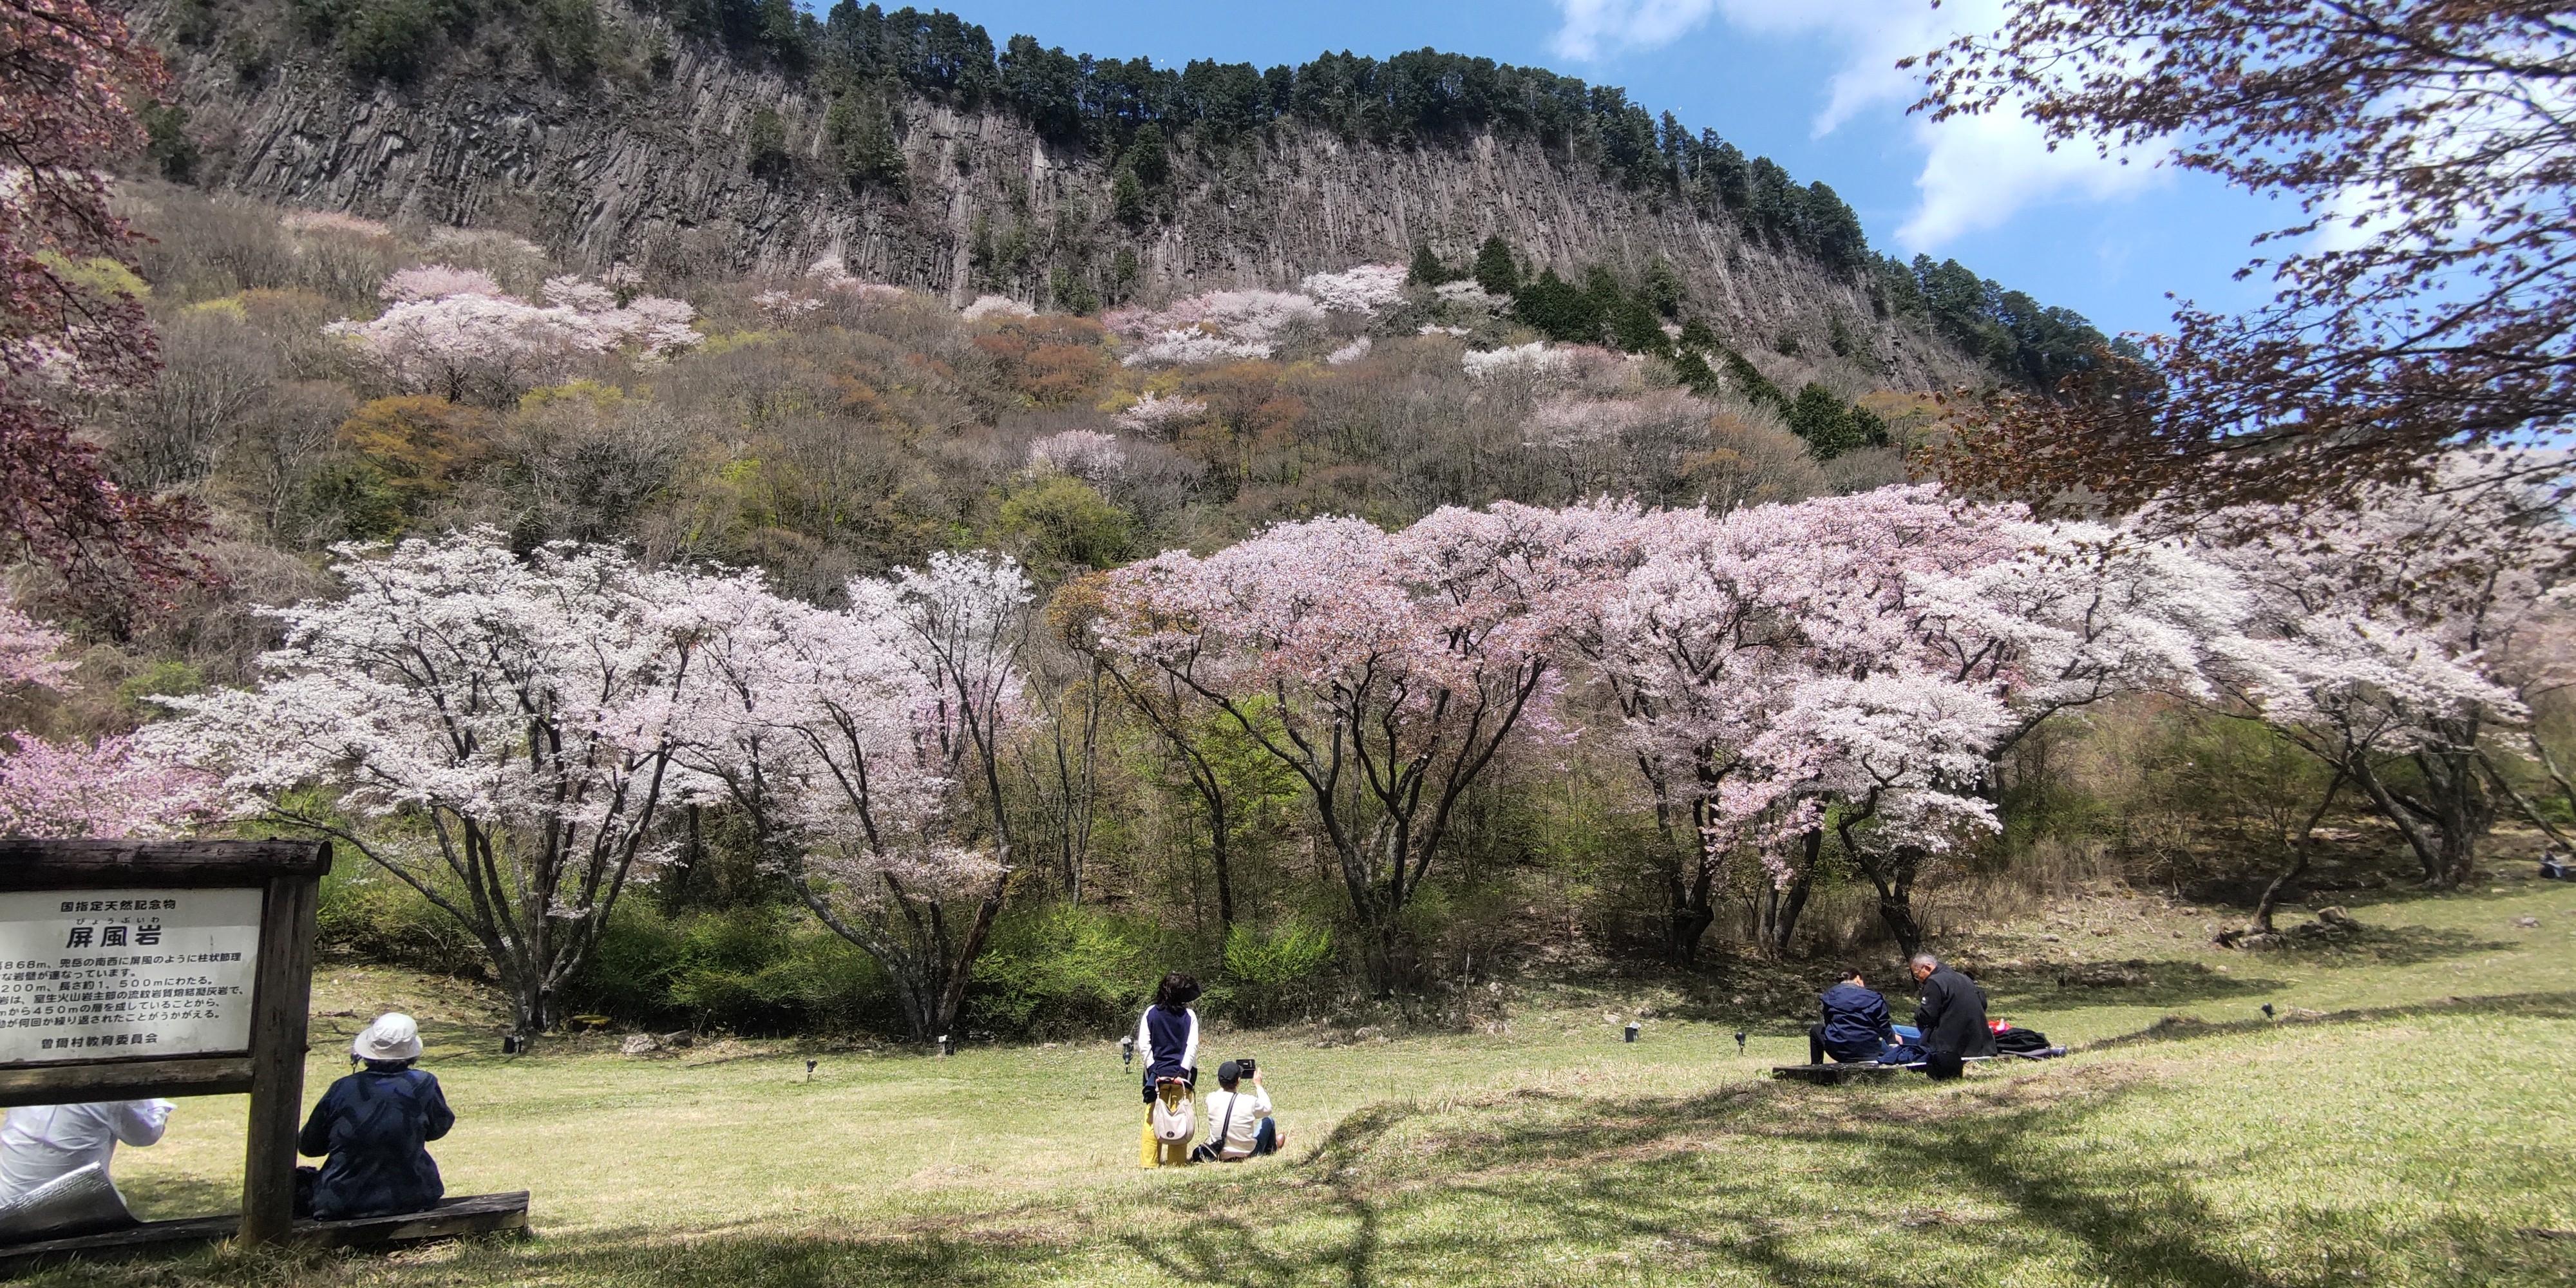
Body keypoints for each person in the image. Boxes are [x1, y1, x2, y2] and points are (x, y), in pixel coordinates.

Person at [297, 1013, 454, 1220]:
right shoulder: (425, 1084)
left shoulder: (342, 1088)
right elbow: (438, 1129)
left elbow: (309, 1146)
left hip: (341, 1201)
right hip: (414, 1197)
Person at [0, 1100, 173, 1204]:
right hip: (76, 1216)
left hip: (6, 1208)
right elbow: (146, 1135)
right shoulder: (107, 1092)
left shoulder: (31, 1083)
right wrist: (158, 1105)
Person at [1136, 972, 1201, 1168]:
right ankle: (1177, 1162)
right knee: (1179, 1116)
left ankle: (1149, 1162)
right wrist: (1182, 1072)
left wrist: (1154, 1069)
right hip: (1182, 1077)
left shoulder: (1151, 1012)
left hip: (1156, 1075)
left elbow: (1143, 1045)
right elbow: (1192, 1046)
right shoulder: (1189, 1016)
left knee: (1152, 1117)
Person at [1908, 952, 1996, 1079]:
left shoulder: (1934, 982)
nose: (1919, 980)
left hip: (1949, 1043)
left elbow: (1928, 1015)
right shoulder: (1963, 978)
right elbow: (1983, 1003)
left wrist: (1917, 1013)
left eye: (1917, 975)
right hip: (1979, 1039)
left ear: (1927, 967)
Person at [1192, 1061, 1284, 1162]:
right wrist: (1258, 1085)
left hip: (1219, 1152)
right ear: (1239, 1080)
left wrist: (1226, 1081)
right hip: (1247, 1153)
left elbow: (1221, 1091)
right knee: (1268, 1121)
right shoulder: (1249, 1101)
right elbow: (1268, 1109)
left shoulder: (1211, 1099)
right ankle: (1272, 1147)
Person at [1809, 969, 1897, 1065]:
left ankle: (1816, 1067)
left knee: (1816, 1030)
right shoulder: (1875, 998)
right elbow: (1884, 1027)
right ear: (1858, 978)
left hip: (1839, 1052)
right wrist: (1893, 1038)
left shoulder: (1829, 996)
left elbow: (1828, 1023)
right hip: (1870, 1052)